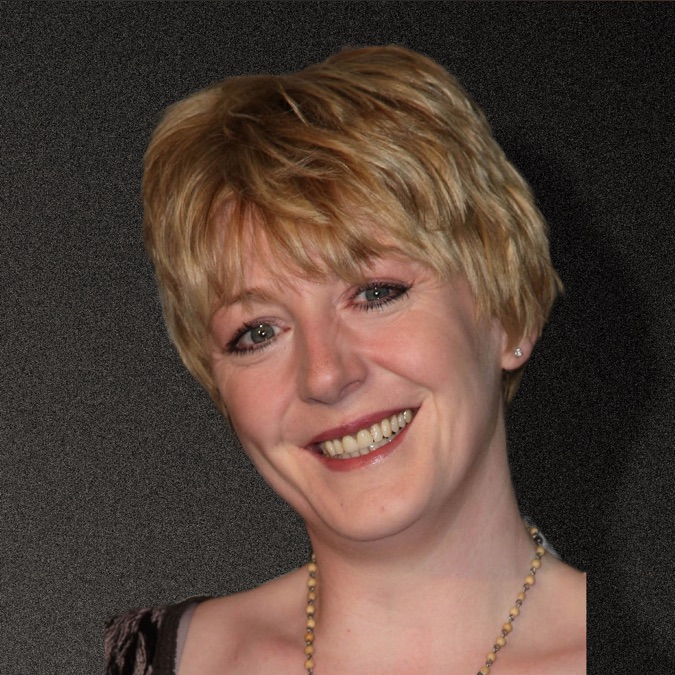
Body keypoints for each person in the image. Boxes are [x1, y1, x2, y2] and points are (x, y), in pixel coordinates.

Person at [105, 45, 586, 674]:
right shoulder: (141, 659)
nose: (326, 376)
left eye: (376, 293)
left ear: (509, 313)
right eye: (258, 332)